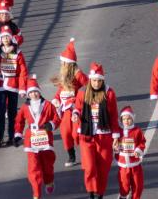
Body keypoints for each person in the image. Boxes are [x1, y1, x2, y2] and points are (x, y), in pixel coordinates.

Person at [72, 63, 120, 199]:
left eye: (99, 81)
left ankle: (100, 193)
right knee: (89, 168)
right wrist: (75, 113)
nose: (97, 83)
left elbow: (114, 116)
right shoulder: (82, 92)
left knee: (103, 168)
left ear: (103, 80)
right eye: (94, 80)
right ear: (90, 79)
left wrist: (116, 136)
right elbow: (77, 107)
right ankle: (91, 192)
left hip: (104, 135)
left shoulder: (109, 93)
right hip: (87, 135)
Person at [13, 77, 58, 199]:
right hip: (31, 141)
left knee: (47, 166)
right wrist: (18, 134)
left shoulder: (48, 105)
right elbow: (19, 121)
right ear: (28, 94)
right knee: (34, 169)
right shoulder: (24, 107)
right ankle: (37, 194)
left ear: (39, 91)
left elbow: (56, 118)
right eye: (31, 92)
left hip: (45, 140)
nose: (34, 94)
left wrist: (51, 125)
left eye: (36, 91)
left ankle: (49, 181)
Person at [52, 38, 87, 169]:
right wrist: (56, 99)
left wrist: (79, 98)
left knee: (76, 133)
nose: (61, 65)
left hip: (75, 108)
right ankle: (71, 156)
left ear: (69, 64)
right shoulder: (63, 75)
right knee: (65, 133)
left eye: (63, 63)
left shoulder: (78, 75)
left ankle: (86, 151)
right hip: (64, 110)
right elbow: (60, 90)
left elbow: (88, 86)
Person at [0, 26, 28, 147]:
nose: (5, 39)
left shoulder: (18, 52)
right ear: (0, 39)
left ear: (11, 38)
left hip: (13, 85)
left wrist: (23, 88)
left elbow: (23, 71)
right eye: (3, 37)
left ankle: (12, 136)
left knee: (12, 112)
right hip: (1, 85)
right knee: (0, 112)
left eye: (7, 36)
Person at [115, 106, 146, 199]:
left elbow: (142, 142)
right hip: (123, 164)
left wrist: (138, 150)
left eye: (129, 118)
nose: (126, 121)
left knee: (138, 184)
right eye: (124, 119)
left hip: (135, 163)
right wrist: (115, 148)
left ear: (132, 119)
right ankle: (123, 196)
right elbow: (114, 144)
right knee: (124, 184)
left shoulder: (137, 131)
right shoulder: (118, 132)